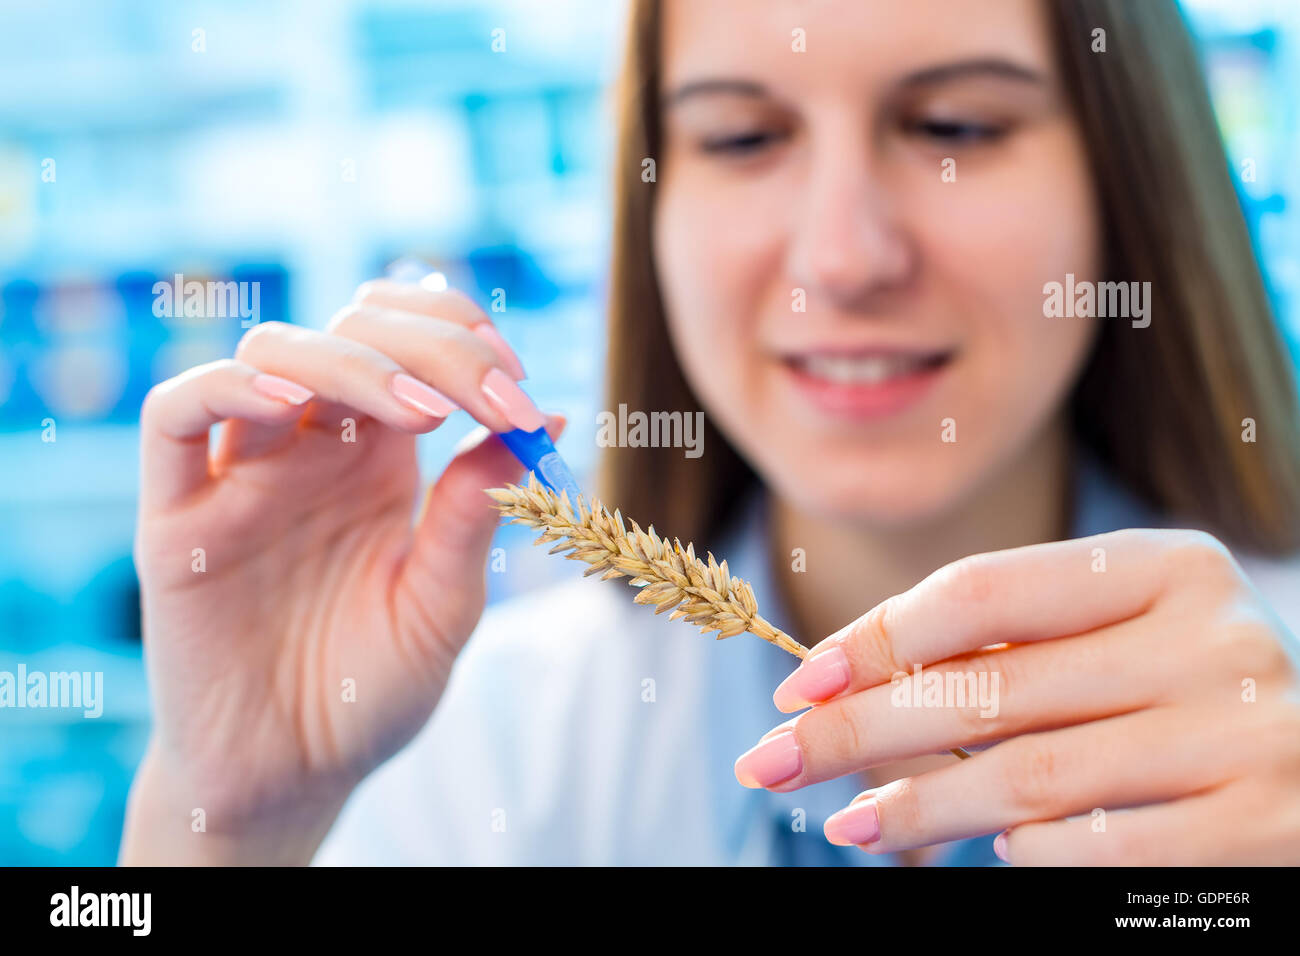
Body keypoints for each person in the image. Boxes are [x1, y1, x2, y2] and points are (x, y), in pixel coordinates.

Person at [121, 0, 1300, 866]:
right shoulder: (487, 749)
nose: (841, 257)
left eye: (952, 124)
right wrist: (222, 826)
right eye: (741, 138)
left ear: (1128, 178)